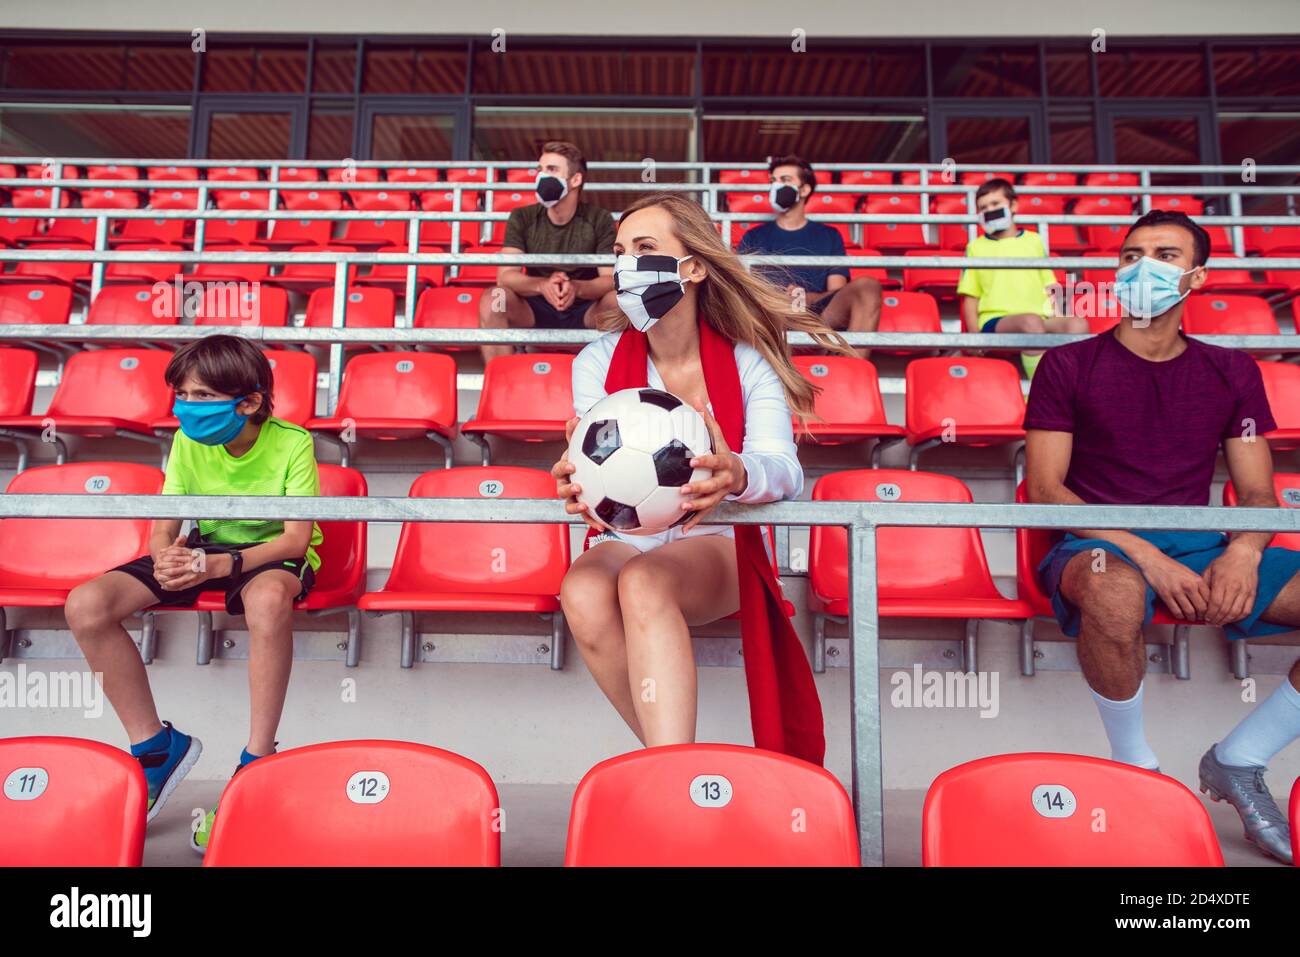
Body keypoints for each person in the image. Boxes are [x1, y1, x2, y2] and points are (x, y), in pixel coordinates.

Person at [1024, 209, 1299, 864]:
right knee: (1114, 589)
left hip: (1201, 543)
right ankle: (1138, 772)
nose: (1142, 265)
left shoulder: (1233, 373)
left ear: (1196, 276)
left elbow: (1258, 493)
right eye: (1131, 253)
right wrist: (1145, 555)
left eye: (1165, 253)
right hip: (1097, 541)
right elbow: (1047, 490)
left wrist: (1242, 548)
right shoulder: (1066, 366)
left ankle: (1240, 758)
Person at [551, 191, 853, 765]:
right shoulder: (595, 360)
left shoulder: (747, 360)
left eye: (645, 249)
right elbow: (595, 468)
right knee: (583, 589)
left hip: (719, 540)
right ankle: (674, 771)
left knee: (645, 582)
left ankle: (668, 781)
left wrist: (736, 472)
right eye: (619, 252)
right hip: (630, 534)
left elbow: (784, 470)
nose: (625, 266)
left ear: (691, 267)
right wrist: (576, 483)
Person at [64, 334, 323, 855]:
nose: (186, 408)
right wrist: (167, 558)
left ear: (248, 402)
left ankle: (257, 759)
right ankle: (156, 749)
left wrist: (221, 565)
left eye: (200, 397)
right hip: (205, 548)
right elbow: (165, 525)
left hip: (271, 555)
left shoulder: (294, 441)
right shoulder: (186, 442)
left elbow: (295, 537)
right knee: (86, 604)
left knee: (268, 599)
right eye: (181, 395)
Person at [479, 140, 618, 362]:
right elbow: (505, 275)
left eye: (551, 170)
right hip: (536, 308)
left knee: (620, 301)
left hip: (585, 309)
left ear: (575, 179)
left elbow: (610, 279)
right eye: (540, 170)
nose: (542, 177)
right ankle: (501, 384)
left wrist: (576, 288)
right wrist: (542, 286)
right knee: (494, 298)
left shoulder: (598, 218)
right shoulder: (522, 217)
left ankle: (618, 383)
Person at [737, 155, 882, 359]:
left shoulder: (829, 235)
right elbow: (742, 289)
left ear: (804, 190)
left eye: (785, 180)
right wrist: (780, 300)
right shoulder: (754, 236)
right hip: (771, 317)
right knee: (771, 311)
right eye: (773, 181)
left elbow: (836, 289)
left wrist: (806, 298)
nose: (776, 187)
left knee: (868, 286)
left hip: (818, 317)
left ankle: (854, 374)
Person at [957, 178, 1089, 378]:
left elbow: (1050, 284)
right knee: (1030, 322)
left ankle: (1075, 389)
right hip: (996, 320)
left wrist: (1061, 314)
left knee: (1077, 324)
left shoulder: (1034, 240)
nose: (989, 210)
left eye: (995, 204)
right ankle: (1041, 392)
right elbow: (970, 296)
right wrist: (975, 338)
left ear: (1013, 205)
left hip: (1040, 317)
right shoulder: (975, 247)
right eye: (983, 207)